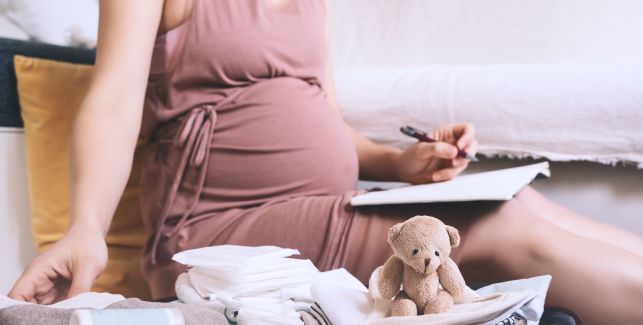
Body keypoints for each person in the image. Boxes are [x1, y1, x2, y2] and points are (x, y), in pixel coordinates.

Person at [8, 0, 643, 323]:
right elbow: (114, 98)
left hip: (323, 207)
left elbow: (323, 117)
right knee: (505, 231)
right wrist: (85, 227)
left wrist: (401, 165)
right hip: (221, 231)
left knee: (520, 203)